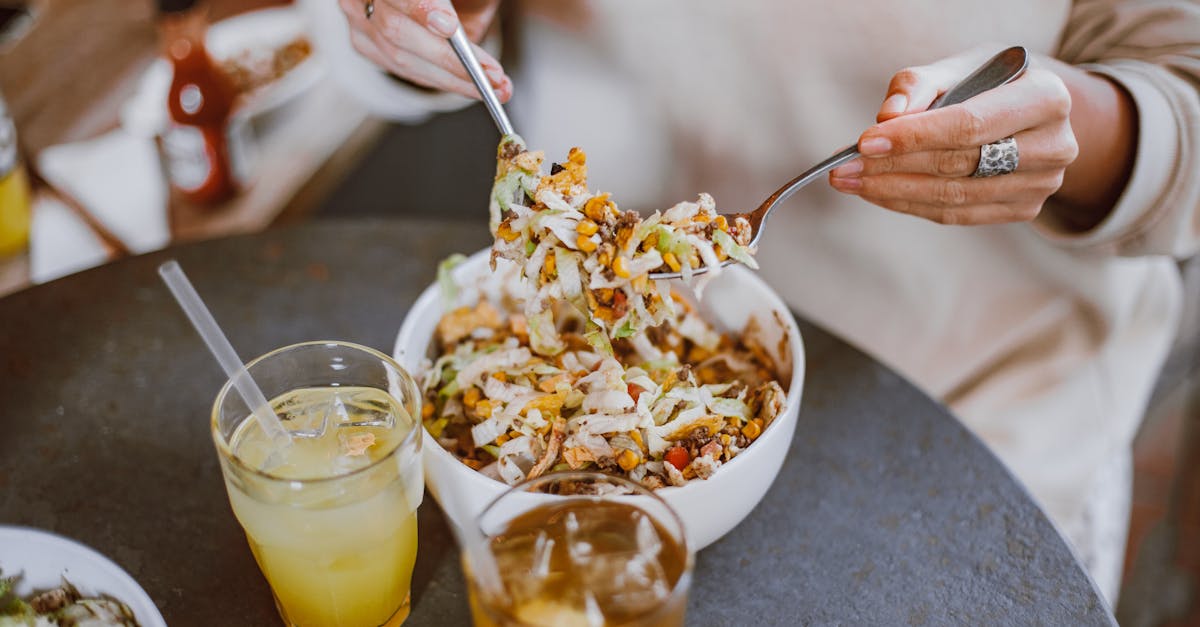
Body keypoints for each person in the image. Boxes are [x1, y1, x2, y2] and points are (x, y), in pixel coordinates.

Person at [302, 0, 1200, 604]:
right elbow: (380, 28)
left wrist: (1073, 130)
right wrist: (415, 35)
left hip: (983, 427)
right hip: (586, 293)